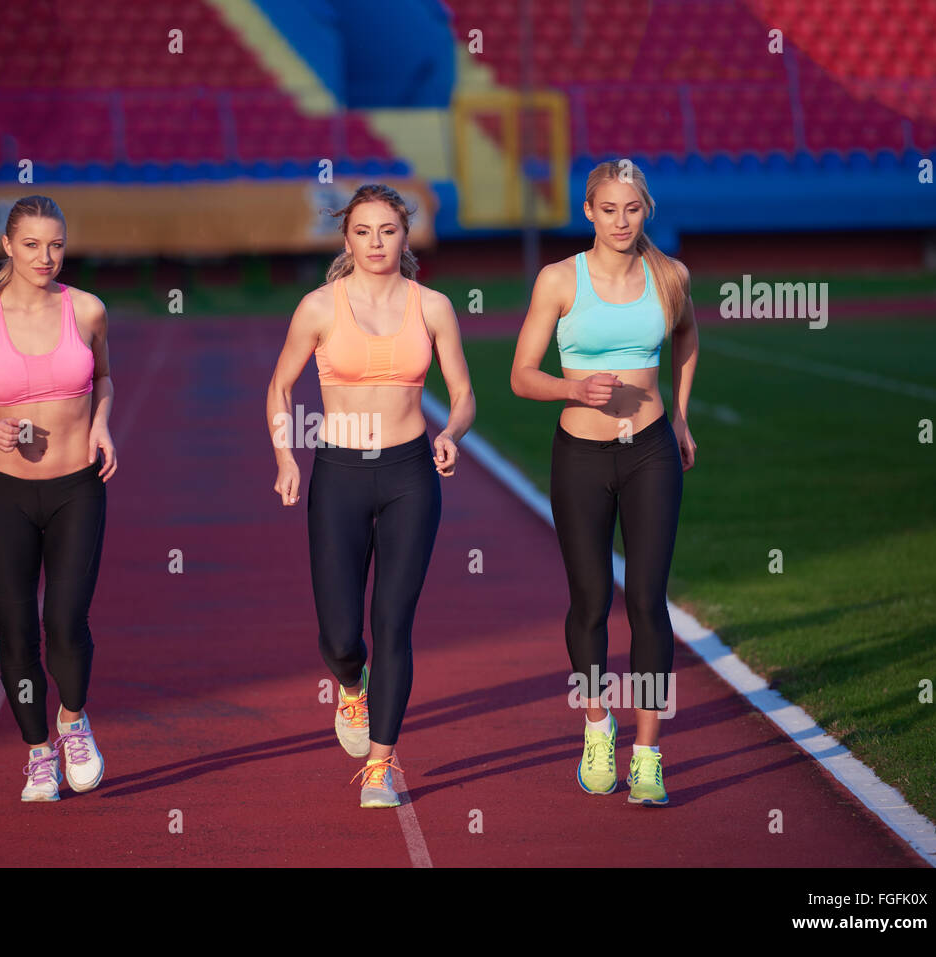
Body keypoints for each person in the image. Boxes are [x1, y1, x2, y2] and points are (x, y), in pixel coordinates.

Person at [267, 184, 476, 808]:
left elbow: (463, 392)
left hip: (411, 473)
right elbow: (279, 388)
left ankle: (381, 766)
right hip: (339, 473)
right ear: (347, 238)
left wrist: (452, 432)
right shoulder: (318, 309)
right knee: (339, 637)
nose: (376, 242)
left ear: (404, 236)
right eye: (364, 231)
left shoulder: (433, 307)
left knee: (394, 622)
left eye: (388, 230)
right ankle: (352, 687)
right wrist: (284, 455)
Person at [510, 160, 699, 806]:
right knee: (590, 601)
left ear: (647, 210)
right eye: (609, 209)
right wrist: (572, 386)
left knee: (647, 600)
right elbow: (520, 374)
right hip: (582, 456)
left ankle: (648, 753)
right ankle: (597, 724)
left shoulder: (669, 276)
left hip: (649, 453)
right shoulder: (559, 279)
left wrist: (679, 414)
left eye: (633, 210)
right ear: (588, 210)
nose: (621, 222)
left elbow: (688, 336)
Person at [0, 195, 118, 802]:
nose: (45, 257)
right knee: (17, 627)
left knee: (66, 621)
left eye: (55, 244)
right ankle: (37, 753)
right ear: (8, 246)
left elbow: (102, 377)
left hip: (78, 484)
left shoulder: (88, 310)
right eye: (31, 245)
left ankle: (73, 721)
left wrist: (102, 425)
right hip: (5, 494)